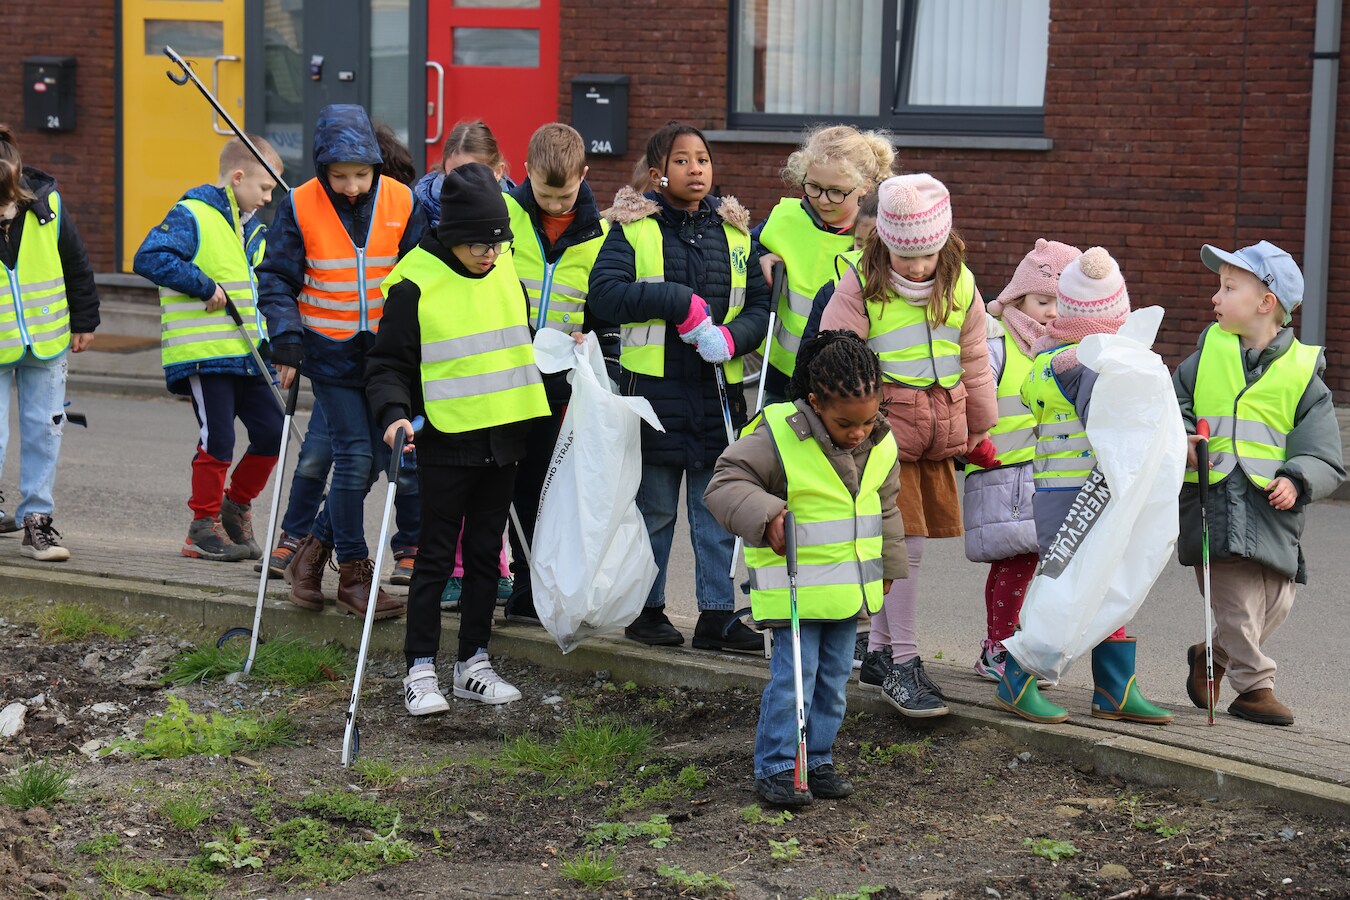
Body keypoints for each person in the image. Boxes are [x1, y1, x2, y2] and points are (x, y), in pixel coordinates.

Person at [367, 161, 551, 712]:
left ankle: (474, 661)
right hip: (447, 439)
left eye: (498, 243)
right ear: (451, 233)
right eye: (479, 244)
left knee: (486, 556)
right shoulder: (414, 282)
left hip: (505, 434)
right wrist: (393, 415)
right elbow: (387, 364)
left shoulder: (505, 264)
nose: (489, 254)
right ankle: (420, 669)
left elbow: (515, 339)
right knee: (435, 557)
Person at [588, 121, 772, 651]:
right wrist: (677, 301)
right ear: (657, 175)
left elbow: (759, 306)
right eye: (682, 160)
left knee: (717, 509)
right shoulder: (633, 229)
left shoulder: (735, 233)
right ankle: (647, 612)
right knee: (656, 511)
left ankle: (717, 616)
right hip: (656, 396)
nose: (696, 169)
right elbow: (606, 295)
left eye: (703, 160)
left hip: (716, 396)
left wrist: (732, 339)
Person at [821, 173, 996, 717]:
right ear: (885, 243)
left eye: (927, 256)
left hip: (937, 431)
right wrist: (846, 426)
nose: (917, 268)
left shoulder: (960, 283)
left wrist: (980, 423)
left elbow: (975, 357)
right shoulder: (859, 282)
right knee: (902, 549)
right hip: (883, 434)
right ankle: (904, 660)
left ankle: (878, 653)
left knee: (902, 548)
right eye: (905, 256)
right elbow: (837, 353)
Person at [706, 330, 903, 807]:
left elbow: (887, 508)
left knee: (833, 682)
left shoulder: (881, 442)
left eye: (868, 420)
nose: (858, 433)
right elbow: (725, 483)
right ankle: (777, 766)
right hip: (794, 589)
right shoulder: (778, 434)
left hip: (847, 592)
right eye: (845, 423)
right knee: (796, 679)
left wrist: (889, 565)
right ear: (815, 403)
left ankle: (817, 759)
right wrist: (767, 513)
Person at [256, 103, 426, 620]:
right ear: (321, 169)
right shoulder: (298, 204)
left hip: (387, 357)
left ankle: (311, 552)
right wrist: (286, 336)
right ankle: (354, 575)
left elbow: (422, 271)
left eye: (361, 175)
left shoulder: (402, 200)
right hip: (328, 352)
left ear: (375, 166)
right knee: (353, 458)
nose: (352, 187)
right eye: (339, 176)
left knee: (376, 461)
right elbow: (277, 277)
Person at [996, 247, 1173, 725]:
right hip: (1080, 494)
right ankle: (1018, 677)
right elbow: (1118, 426)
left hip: (1064, 490)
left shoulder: (1050, 357)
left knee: (1103, 578)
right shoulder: (1083, 365)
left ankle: (1116, 687)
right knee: (1069, 585)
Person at [1174, 241, 1345, 726]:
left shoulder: (1303, 374)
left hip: (1273, 507)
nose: (1216, 297)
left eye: (1229, 288)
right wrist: (1182, 436)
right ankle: (1255, 688)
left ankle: (1212, 656)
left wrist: (1297, 478)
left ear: (1266, 303)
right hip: (1213, 499)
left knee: (1277, 600)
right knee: (1236, 604)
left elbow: (1323, 453)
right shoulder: (1205, 355)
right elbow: (1172, 402)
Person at [133, 136, 286, 563]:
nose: (269, 197)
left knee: (274, 431)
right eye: (264, 187)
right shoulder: (193, 213)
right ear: (237, 177)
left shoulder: (253, 229)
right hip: (207, 354)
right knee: (218, 438)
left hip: (251, 354)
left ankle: (235, 506)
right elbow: (150, 257)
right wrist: (204, 285)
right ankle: (201, 527)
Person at [500, 123, 610, 623]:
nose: (555, 204)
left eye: (564, 196)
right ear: (526, 173)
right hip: (502, 370)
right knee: (497, 483)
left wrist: (593, 335)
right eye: (545, 194)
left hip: (557, 380)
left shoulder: (601, 233)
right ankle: (495, 578)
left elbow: (603, 301)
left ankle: (530, 586)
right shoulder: (503, 214)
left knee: (541, 486)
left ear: (584, 175)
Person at [961, 239, 1080, 680]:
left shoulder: (1063, 350)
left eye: (1060, 303)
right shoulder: (998, 343)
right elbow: (975, 395)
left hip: (1044, 474)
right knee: (1017, 561)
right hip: (1003, 472)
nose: (1051, 312)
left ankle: (1004, 644)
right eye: (1042, 301)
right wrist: (974, 441)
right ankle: (998, 647)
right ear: (1017, 298)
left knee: (1024, 563)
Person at [0, 124, 99, 560]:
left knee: (45, 433)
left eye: (6, 201)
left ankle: (36, 523)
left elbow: (76, 263)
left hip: (47, 340)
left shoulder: (49, 205)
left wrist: (85, 321)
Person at [756, 125, 894, 403]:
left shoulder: (876, 233)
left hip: (847, 379)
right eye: (814, 187)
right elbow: (740, 250)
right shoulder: (785, 218)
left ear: (865, 186)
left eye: (836, 192)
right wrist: (759, 254)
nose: (823, 199)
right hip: (781, 372)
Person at [414, 119, 515, 230]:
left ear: (498, 172)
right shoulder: (421, 208)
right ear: (444, 170)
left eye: (473, 175)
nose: (462, 184)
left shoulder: (518, 210)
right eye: (453, 176)